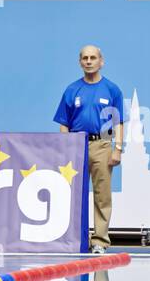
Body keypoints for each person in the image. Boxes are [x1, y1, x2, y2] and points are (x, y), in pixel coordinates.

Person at [53, 45, 124, 254]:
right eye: (85, 58)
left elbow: (118, 122)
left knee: (102, 195)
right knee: (75, 194)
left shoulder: (112, 89)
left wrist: (118, 148)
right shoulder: (72, 90)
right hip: (76, 145)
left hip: (102, 144)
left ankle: (100, 241)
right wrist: (66, 147)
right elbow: (63, 123)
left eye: (93, 58)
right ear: (80, 62)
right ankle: (76, 240)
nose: (89, 61)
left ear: (101, 61)